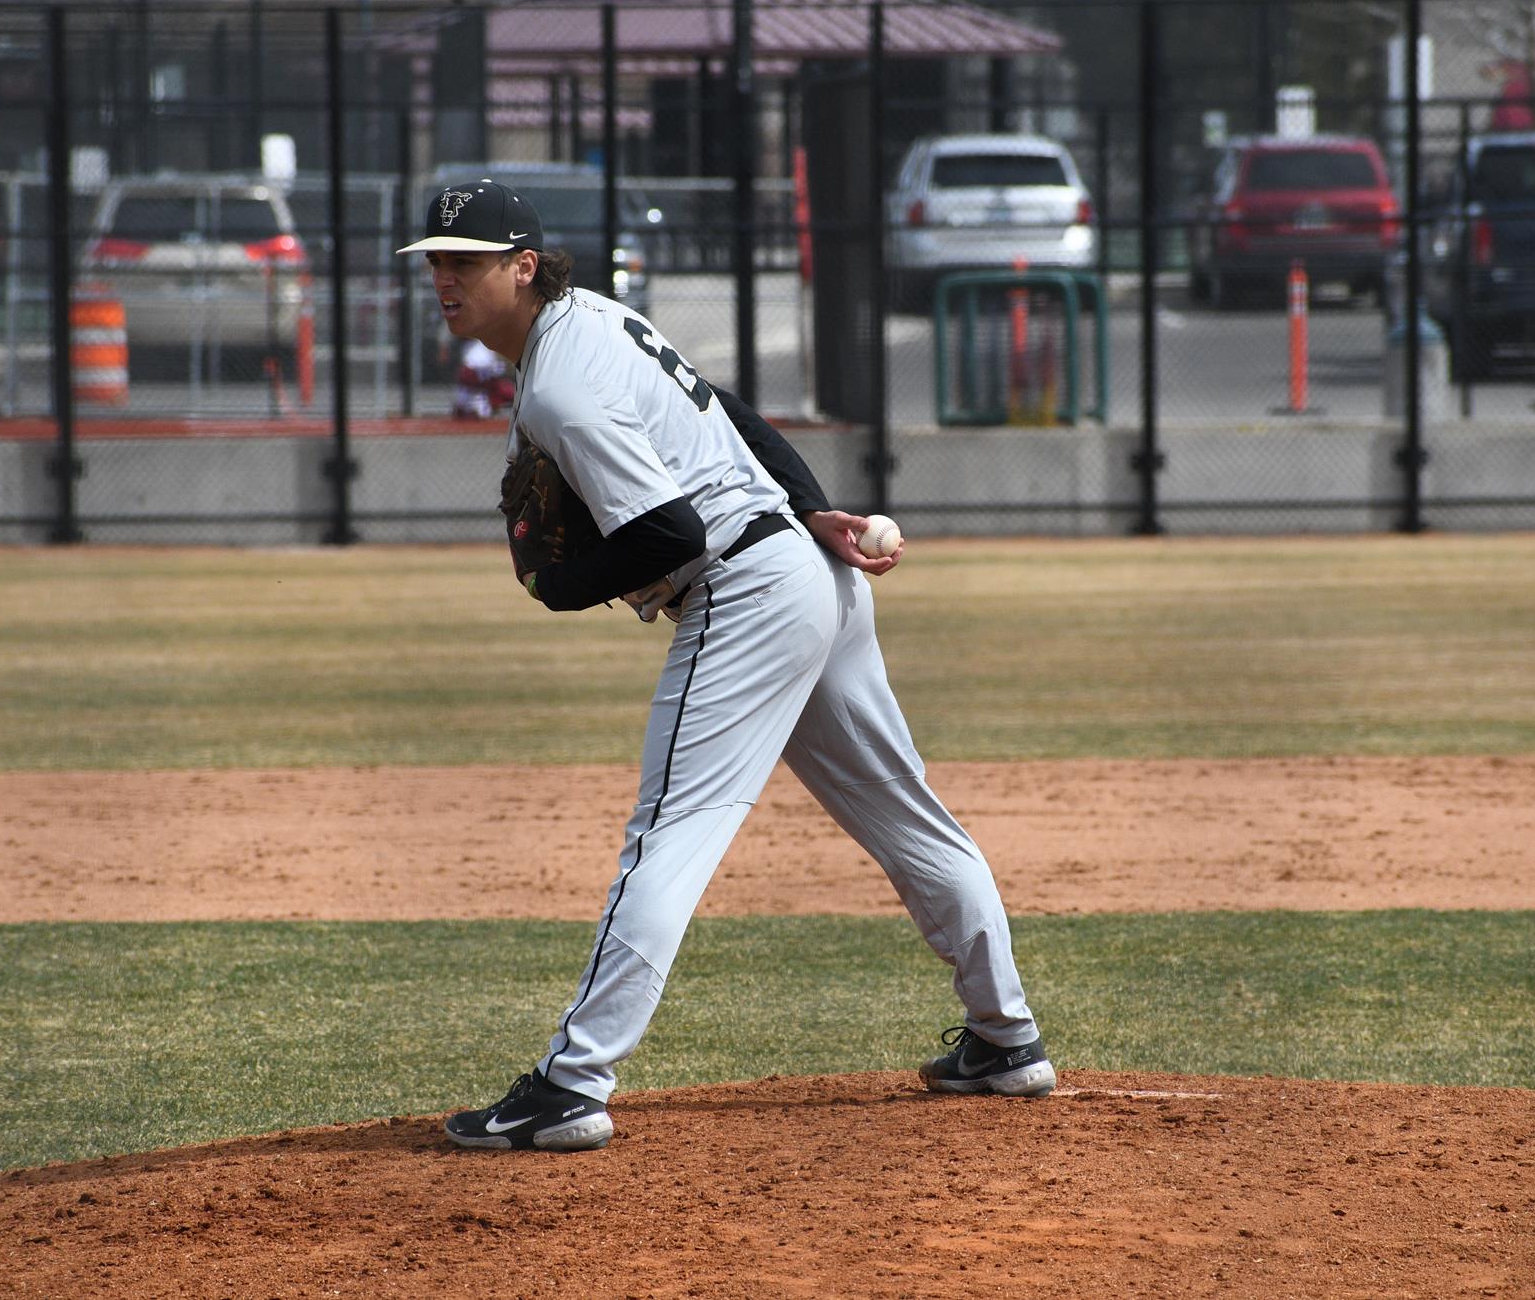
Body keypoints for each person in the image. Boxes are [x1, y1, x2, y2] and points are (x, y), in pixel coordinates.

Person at [399, 179, 1053, 1153]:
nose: (443, 279)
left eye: (466, 260)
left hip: (743, 591)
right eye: (434, 262)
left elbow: (668, 528)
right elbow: (732, 412)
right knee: (904, 812)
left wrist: (561, 586)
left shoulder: (558, 387)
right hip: (804, 571)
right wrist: (813, 504)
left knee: (668, 833)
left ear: (522, 266)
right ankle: (1004, 1038)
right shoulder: (594, 321)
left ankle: (570, 1085)